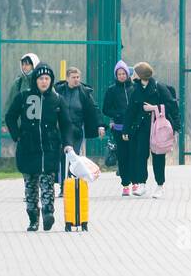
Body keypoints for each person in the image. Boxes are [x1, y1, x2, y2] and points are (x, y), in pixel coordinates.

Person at [5, 62, 70, 232]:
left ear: (51, 80)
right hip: (28, 148)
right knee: (31, 186)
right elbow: (10, 116)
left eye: (47, 78)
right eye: (41, 78)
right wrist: (17, 135)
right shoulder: (23, 97)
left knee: (47, 181)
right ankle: (33, 218)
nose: (44, 82)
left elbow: (66, 124)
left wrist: (67, 144)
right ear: (35, 80)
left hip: (49, 148)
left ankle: (48, 213)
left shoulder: (57, 100)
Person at [124, 61, 181, 198]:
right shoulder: (135, 89)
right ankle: (142, 184)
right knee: (140, 155)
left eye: (135, 72)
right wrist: (126, 130)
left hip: (158, 128)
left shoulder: (159, 87)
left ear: (140, 74)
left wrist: (176, 126)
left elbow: (172, 106)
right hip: (141, 129)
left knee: (158, 157)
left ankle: (159, 185)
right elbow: (130, 111)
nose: (132, 74)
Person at [54, 65, 103, 188]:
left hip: (76, 130)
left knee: (73, 157)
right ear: (67, 78)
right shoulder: (59, 91)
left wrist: (100, 125)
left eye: (78, 77)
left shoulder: (84, 92)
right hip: (61, 129)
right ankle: (62, 185)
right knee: (61, 157)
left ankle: (71, 184)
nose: (76, 80)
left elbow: (94, 109)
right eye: (73, 77)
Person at [102, 60, 137, 195]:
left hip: (134, 128)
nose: (122, 76)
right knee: (122, 156)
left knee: (133, 155)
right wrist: (118, 114)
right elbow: (106, 109)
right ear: (116, 75)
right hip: (119, 128)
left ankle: (135, 182)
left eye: (124, 73)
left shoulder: (134, 88)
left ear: (128, 74)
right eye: (119, 74)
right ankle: (125, 184)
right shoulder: (111, 90)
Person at [3, 52, 40, 130]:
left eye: (27, 64)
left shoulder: (42, 81)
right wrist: (4, 122)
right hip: (22, 125)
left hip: (39, 125)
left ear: (34, 65)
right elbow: (10, 102)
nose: (24, 67)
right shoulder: (18, 82)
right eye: (23, 64)